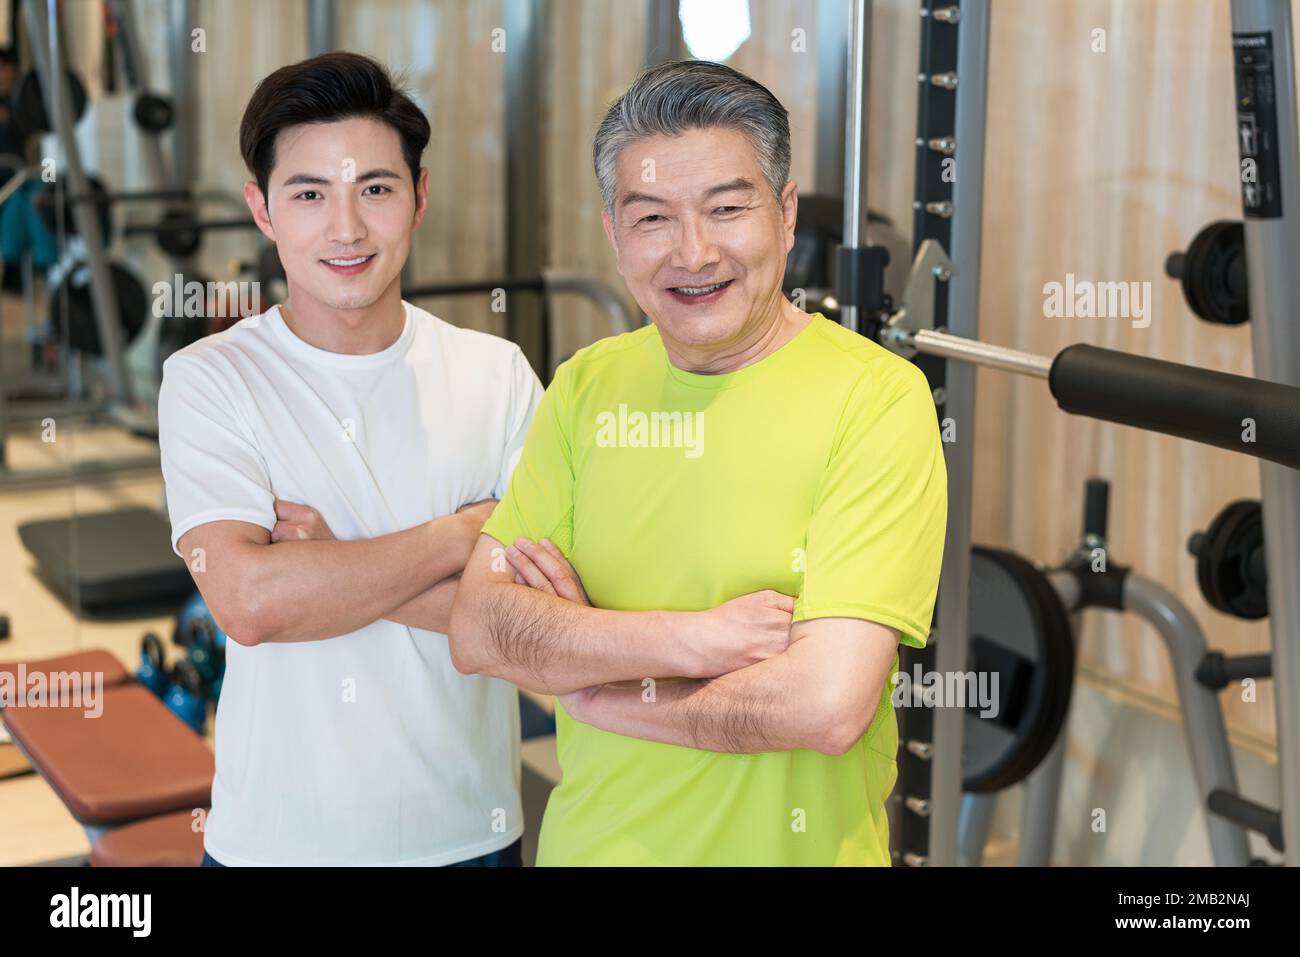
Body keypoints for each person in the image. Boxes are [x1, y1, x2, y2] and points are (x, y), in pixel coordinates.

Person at [449, 59, 948, 866]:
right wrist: (699, 641)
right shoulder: (586, 387)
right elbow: (479, 627)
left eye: (726, 208)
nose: (694, 251)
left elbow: (824, 703)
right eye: (653, 218)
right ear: (614, 233)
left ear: (785, 215)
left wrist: (604, 688)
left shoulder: (878, 399)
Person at [157, 52, 541, 866]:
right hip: (274, 843)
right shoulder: (209, 380)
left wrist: (330, 569)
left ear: (419, 196)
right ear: (261, 209)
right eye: (309, 195)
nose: (346, 229)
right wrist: (460, 536)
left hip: (471, 836)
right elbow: (252, 604)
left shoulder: (497, 374)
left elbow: (539, 619)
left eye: (375, 188)